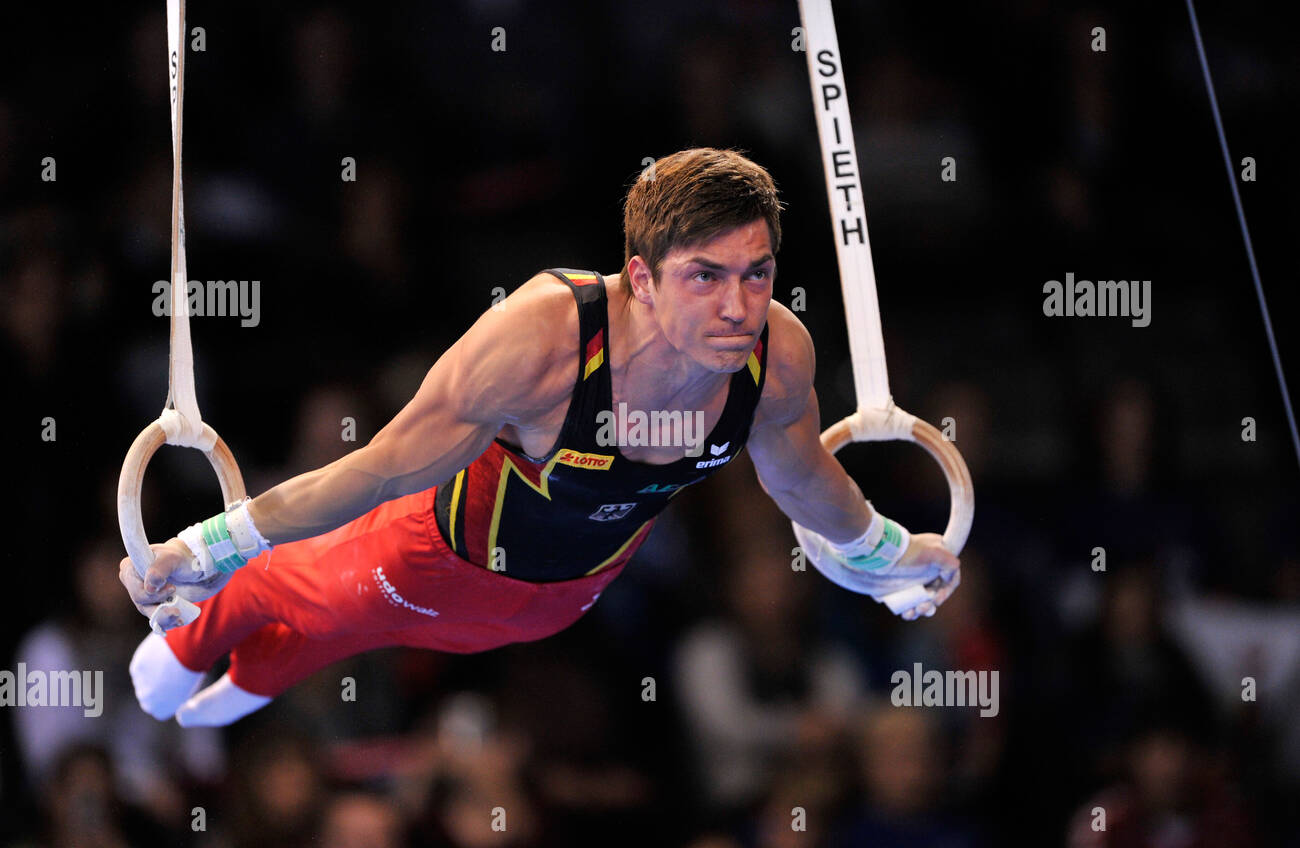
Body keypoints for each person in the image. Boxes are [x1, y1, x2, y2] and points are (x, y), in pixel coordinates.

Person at [119, 147, 961, 727]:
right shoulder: (545, 342)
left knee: (355, 627)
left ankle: (254, 674)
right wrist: (199, 546)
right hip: (432, 552)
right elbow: (378, 469)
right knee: (304, 598)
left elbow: (807, 485)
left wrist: (891, 552)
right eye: (705, 277)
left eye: (758, 273)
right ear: (641, 276)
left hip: (564, 599)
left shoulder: (775, 359)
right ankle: (196, 645)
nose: (739, 308)